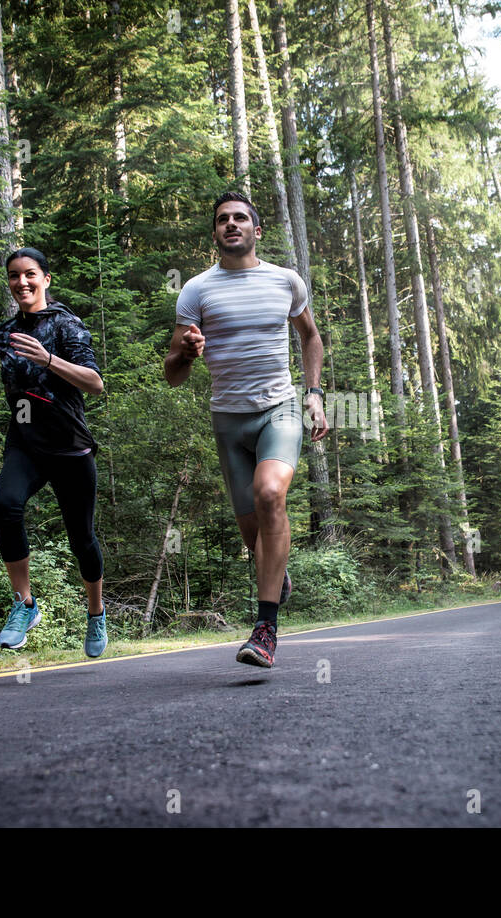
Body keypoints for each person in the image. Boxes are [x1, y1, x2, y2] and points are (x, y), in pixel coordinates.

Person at [164, 191, 328, 667]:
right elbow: (172, 376)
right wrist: (186, 354)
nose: (231, 224)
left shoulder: (285, 281)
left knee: (270, 494)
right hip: (227, 420)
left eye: (240, 218)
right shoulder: (196, 290)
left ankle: (266, 630)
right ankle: (276, 573)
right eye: (222, 220)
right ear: (214, 233)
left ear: (257, 229)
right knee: (253, 536)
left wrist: (314, 394)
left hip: (279, 408)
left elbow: (310, 336)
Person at [0, 247, 110, 657]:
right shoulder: (2, 333)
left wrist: (48, 359)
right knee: (6, 507)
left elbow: (94, 382)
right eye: (13, 276)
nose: (21, 282)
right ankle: (25, 604)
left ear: (45, 279)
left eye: (29, 274)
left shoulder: (67, 325)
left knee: (82, 539)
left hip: (69, 446)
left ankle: (95, 613)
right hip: (25, 442)